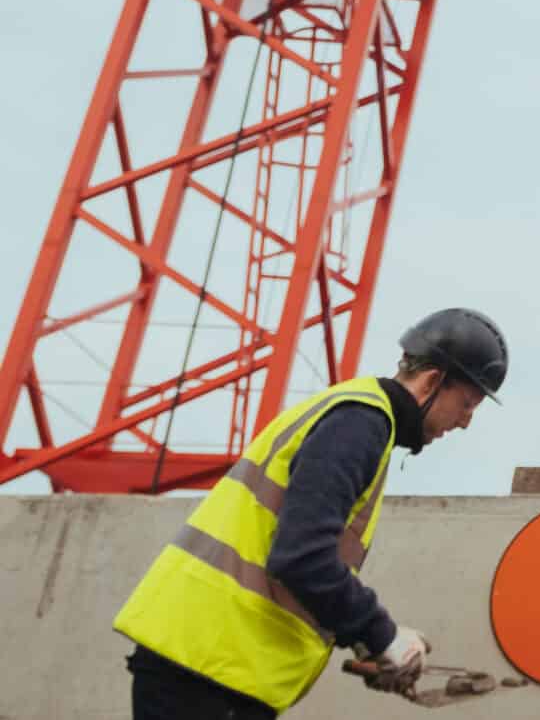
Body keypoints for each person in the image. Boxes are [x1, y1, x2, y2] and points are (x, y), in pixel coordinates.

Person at [113, 308, 510, 718]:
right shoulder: (360, 425)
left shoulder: (356, 416)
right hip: (208, 668)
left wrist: (361, 639)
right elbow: (302, 556)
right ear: (432, 382)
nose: (465, 422)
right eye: (466, 404)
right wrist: (383, 635)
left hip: (209, 660)